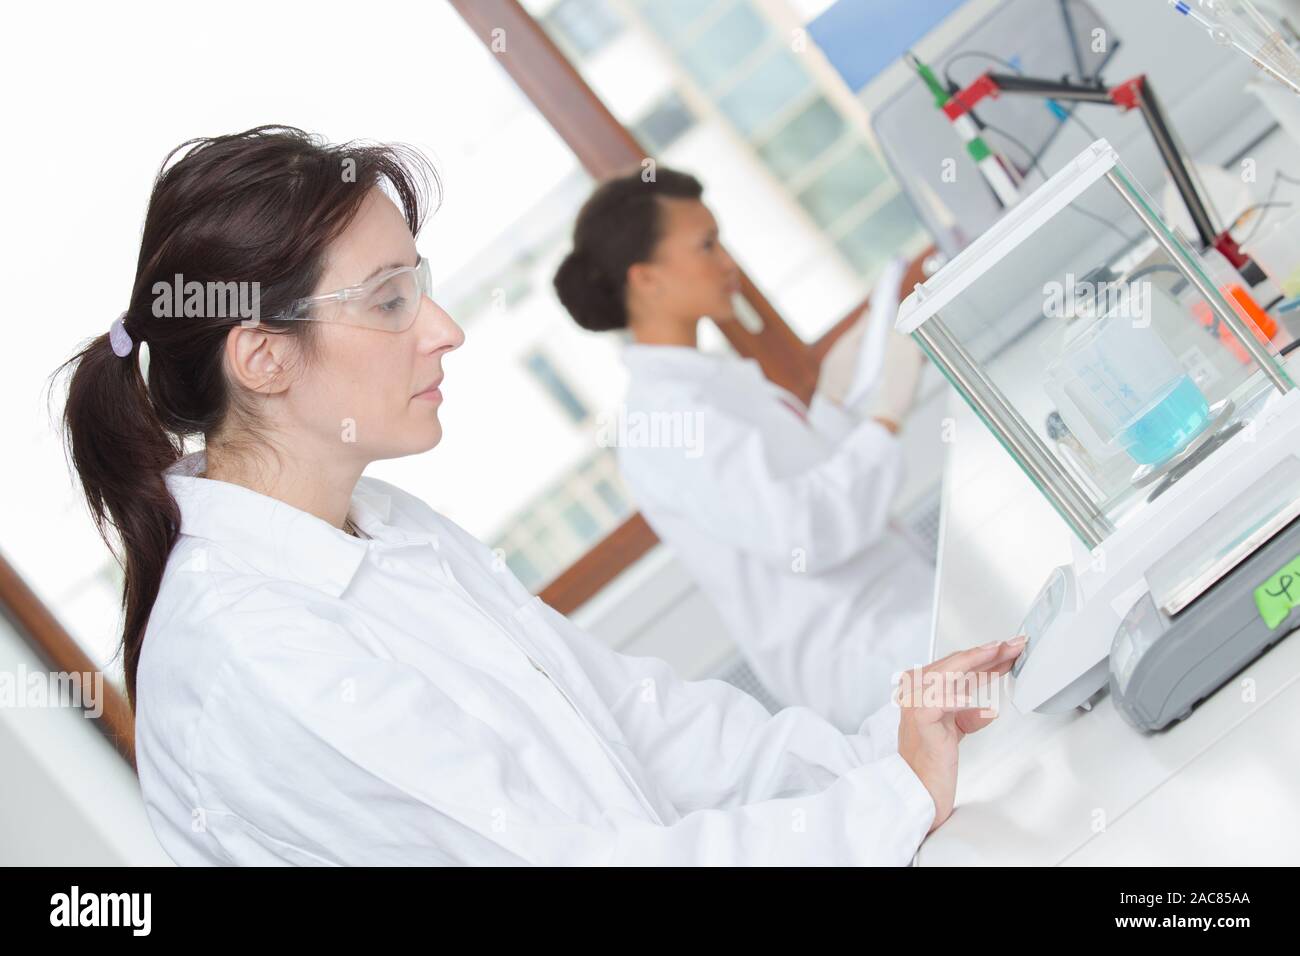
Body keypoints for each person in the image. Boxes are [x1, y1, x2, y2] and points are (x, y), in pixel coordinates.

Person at [57, 126, 1022, 866]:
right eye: (390, 300)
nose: (444, 330)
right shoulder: (254, 656)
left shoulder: (390, 532)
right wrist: (890, 802)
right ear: (264, 356)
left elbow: (645, 720)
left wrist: (883, 757)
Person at [553, 168, 934, 731]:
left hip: (898, 623)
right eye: (706, 246)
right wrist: (882, 423)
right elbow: (803, 531)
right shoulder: (668, 417)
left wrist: (832, 407)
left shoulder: (704, 382)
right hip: (872, 663)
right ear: (647, 279)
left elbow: (795, 484)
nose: (728, 262)